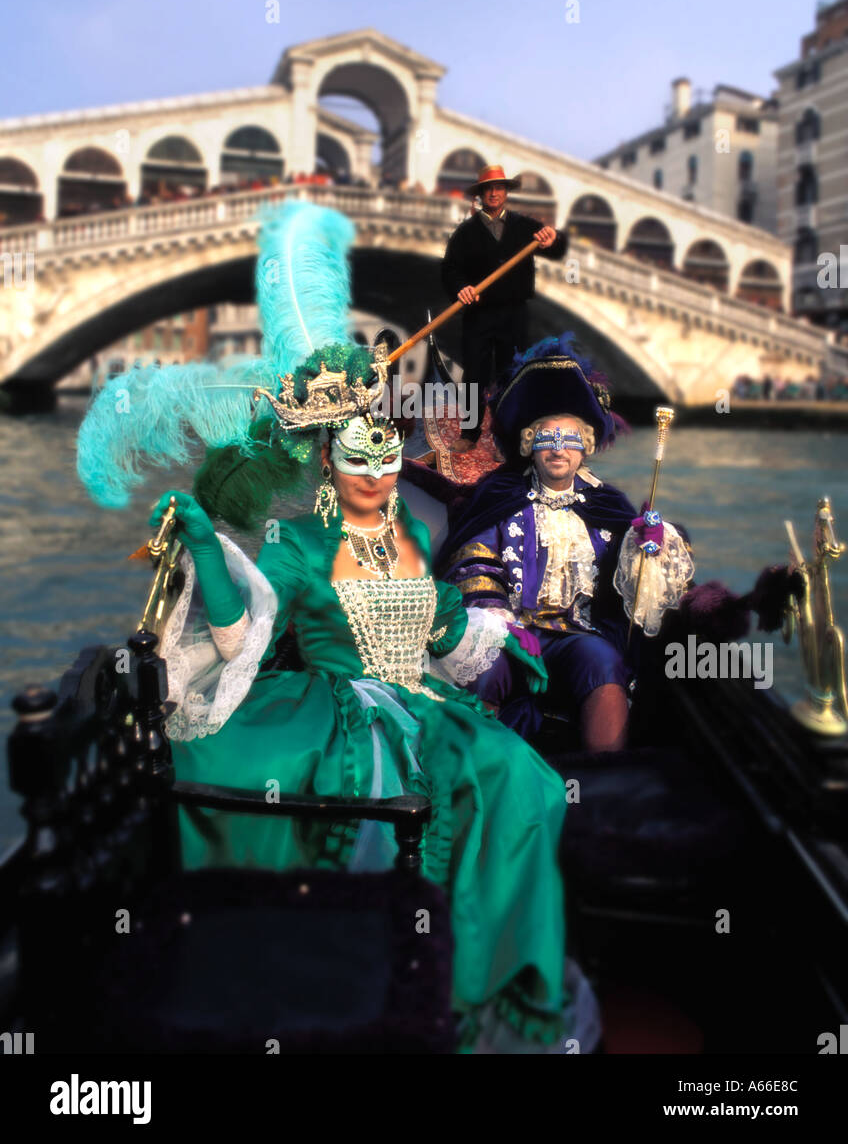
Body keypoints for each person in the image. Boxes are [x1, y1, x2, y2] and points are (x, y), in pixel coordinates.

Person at [76, 199, 593, 1053]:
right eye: (358, 458)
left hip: (422, 699)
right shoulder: (293, 547)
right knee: (293, 772)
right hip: (333, 703)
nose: (377, 472)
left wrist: (513, 643)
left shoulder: (417, 534)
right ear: (329, 462)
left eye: (386, 456)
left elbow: (445, 625)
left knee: (527, 783)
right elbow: (241, 631)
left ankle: (481, 977)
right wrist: (205, 545)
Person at [438, 335, 695, 751]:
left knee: (604, 664)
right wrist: (499, 624)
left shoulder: (607, 504)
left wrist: (646, 547)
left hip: (577, 634)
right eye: (547, 438)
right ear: (529, 445)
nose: (558, 449)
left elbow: (627, 591)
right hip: (511, 633)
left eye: (570, 439)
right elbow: (474, 564)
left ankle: (602, 782)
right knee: (484, 670)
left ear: (585, 447)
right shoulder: (498, 496)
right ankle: (477, 774)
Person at [441, 165, 567, 451]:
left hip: (513, 312)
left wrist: (554, 239)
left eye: (499, 188)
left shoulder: (525, 227)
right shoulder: (466, 232)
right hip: (478, 314)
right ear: (481, 195)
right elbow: (450, 269)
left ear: (506, 192)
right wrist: (461, 287)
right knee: (474, 375)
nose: (494, 193)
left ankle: (505, 438)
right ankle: (469, 435)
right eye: (488, 189)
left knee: (510, 374)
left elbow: (558, 249)